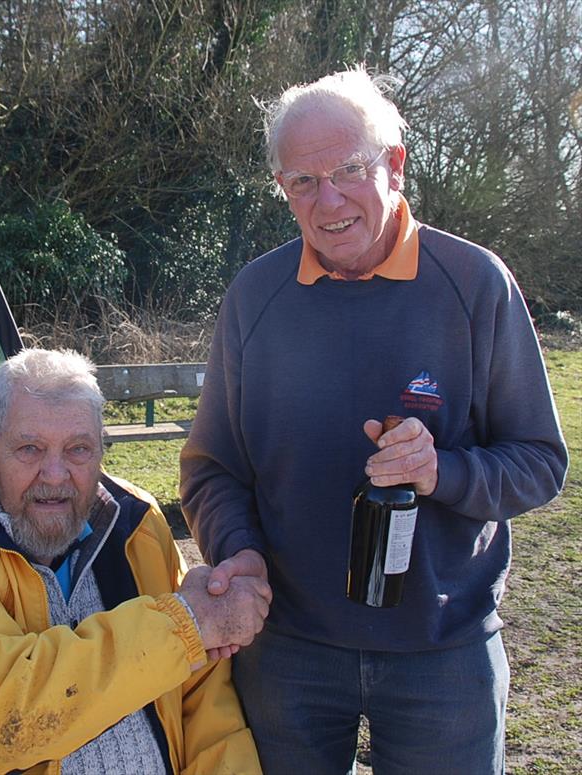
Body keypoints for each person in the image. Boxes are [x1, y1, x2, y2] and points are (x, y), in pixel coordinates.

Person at [180, 66, 568, 774]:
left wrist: (441, 470)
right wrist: (238, 551)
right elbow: (212, 469)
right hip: (288, 648)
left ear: (395, 164)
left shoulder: (475, 283)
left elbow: (540, 461)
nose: (328, 200)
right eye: (302, 181)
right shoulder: (255, 297)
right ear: (282, 190)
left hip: (443, 651)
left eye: (349, 170)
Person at [0, 348, 269, 774]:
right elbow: (8, 720)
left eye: (78, 449)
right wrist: (186, 624)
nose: (54, 474)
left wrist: (197, 624)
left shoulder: (136, 525)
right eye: (29, 448)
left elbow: (204, 704)